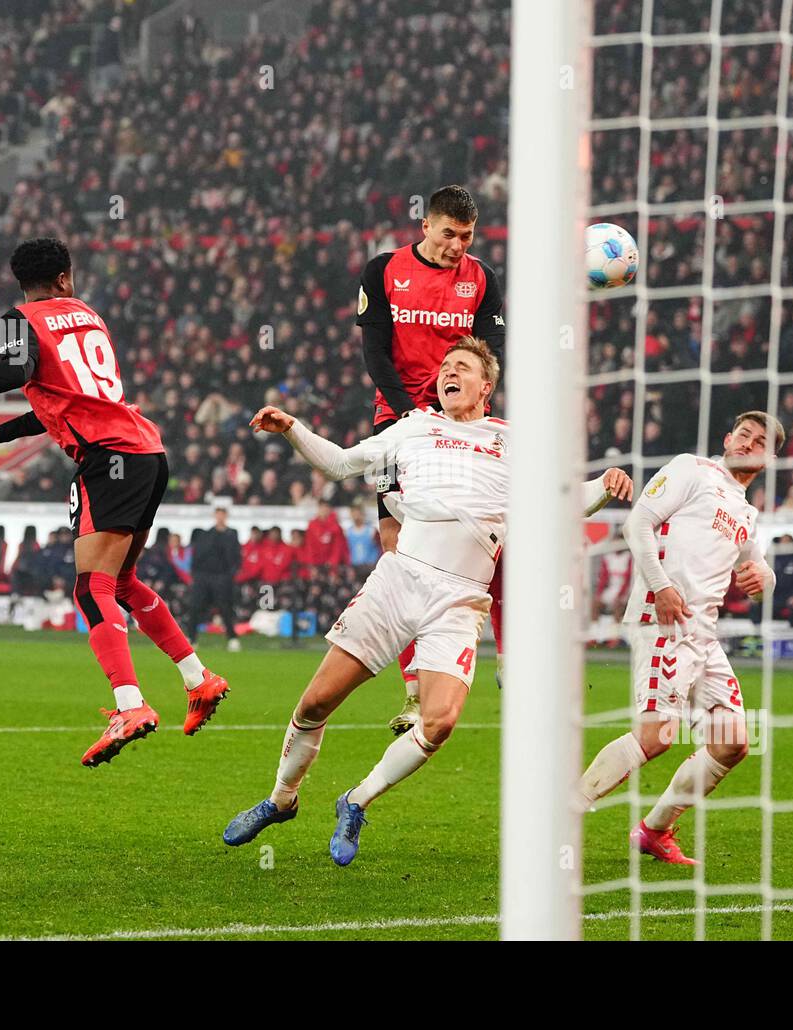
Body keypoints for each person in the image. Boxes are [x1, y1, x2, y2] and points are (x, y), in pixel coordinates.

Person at [222, 337, 632, 866]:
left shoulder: (513, 441)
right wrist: (292, 429)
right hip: (399, 581)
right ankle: (281, 799)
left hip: (460, 599)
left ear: (486, 386)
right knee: (315, 703)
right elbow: (343, 464)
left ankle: (356, 800)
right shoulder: (414, 426)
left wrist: (605, 483)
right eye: (444, 367)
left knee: (438, 722)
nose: (448, 373)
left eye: (461, 367)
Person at [0, 237, 229, 766]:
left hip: (107, 458)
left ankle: (130, 706)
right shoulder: (88, 315)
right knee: (121, 583)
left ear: (21, 282)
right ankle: (198, 677)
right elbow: (69, 399)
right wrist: (2, 433)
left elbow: (14, 372)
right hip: (146, 451)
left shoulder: (19, 319)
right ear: (65, 278)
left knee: (91, 587)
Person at [577, 411, 783, 866]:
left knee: (733, 742)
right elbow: (637, 524)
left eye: (760, 442)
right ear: (727, 439)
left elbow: (759, 572)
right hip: (663, 620)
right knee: (656, 737)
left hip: (704, 635)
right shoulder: (692, 469)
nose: (748, 443)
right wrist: (662, 586)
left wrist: (763, 579)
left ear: (769, 459)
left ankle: (654, 830)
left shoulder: (746, 513)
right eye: (743, 434)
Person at [356, 185, 506, 734]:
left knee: (489, 536)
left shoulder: (482, 279)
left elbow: (492, 355)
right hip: (397, 420)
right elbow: (375, 353)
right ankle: (414, 692)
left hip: (461, 422)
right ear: (426, 226)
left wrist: (459, 413)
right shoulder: (383, 270)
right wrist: (408, 415)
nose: (457, 246)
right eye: (449, 234)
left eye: (466, 237)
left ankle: (507, 657)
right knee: (396, 544)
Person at [189, 507, 242, 651]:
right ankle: (191, 638)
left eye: (222, 514)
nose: (220, 517)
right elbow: (197, 555)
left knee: (225, 608)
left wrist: (229, 576)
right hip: (203, 576)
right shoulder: (206, 535)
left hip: (222, 577)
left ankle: (232, 638)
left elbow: (235, 557)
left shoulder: (232, 535)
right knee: (194, 607)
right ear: (214, 516)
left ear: (226, 516)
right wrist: (196, 574)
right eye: (218, 514)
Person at [344, 503, 381, 567]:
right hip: (354, 566)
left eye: (358, 514)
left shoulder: (372, 531)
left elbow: (379, 548)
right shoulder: (348, 532)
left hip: (370, 566)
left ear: (362, 514)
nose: (356, 517)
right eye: (354, 514)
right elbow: (346, 550)